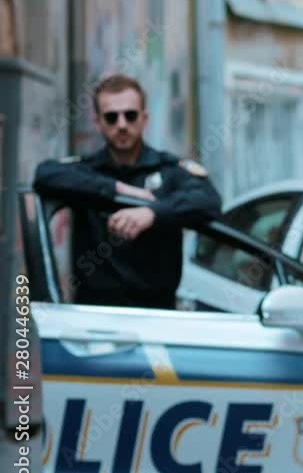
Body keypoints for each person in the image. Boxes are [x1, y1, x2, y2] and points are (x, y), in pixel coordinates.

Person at [33, 74, 221, 309]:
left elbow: (209, 201)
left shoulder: (169, 170)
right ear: (97, 122)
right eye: (111, 117)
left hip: (157, 314)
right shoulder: (86, 170)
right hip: (93, 313)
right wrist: (114, 189)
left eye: (130, 115)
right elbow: (45, 174)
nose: (121, 125)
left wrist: (152, 213)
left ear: (144, 119)